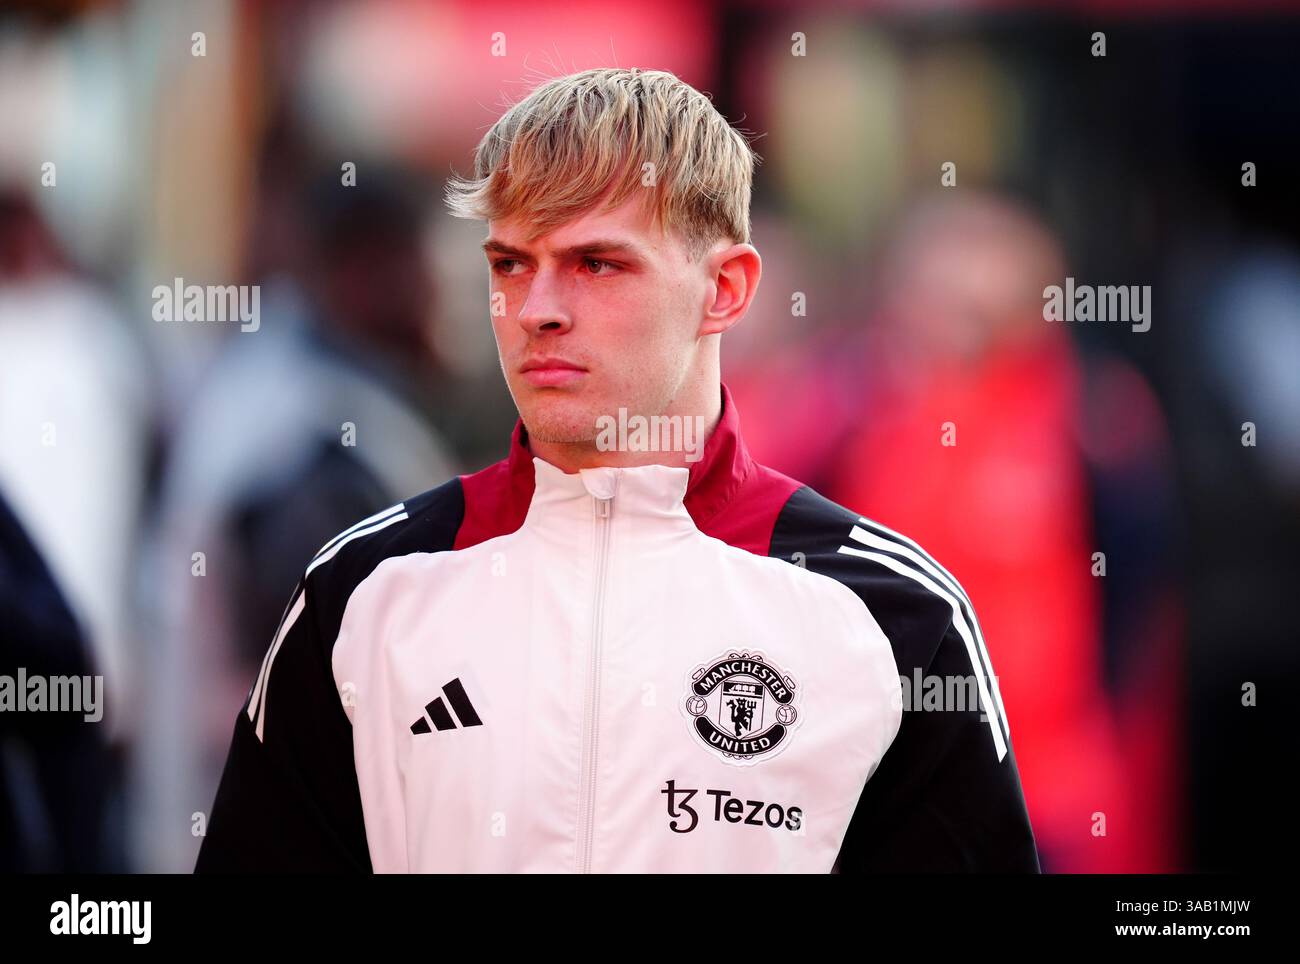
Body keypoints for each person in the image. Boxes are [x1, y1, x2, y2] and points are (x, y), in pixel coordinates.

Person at [195, 67, 1038, 873]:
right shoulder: (366, 594)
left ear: (726, 290)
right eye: (509, 264)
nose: (537, 311)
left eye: (597, 264)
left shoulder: (890, 619)